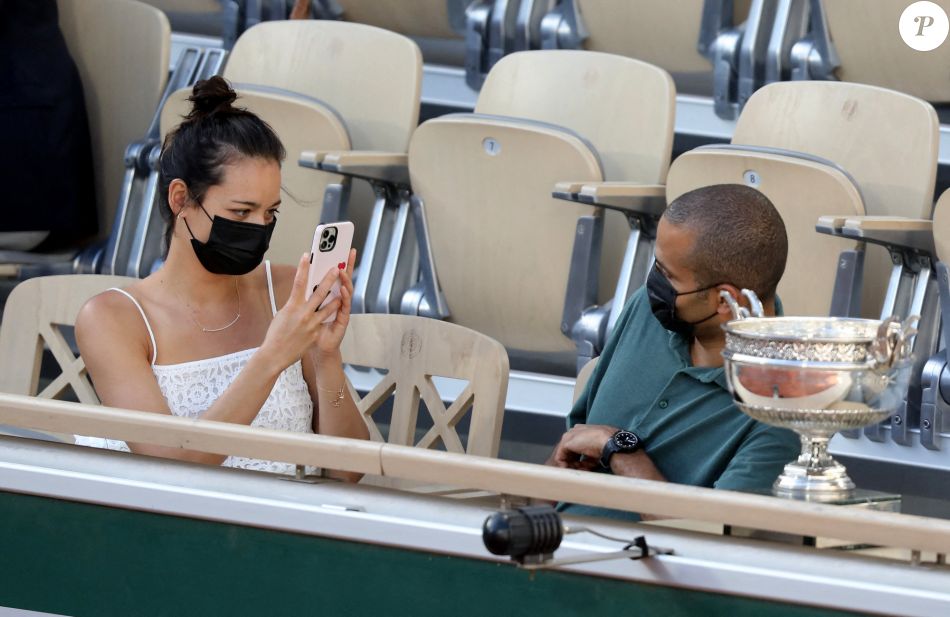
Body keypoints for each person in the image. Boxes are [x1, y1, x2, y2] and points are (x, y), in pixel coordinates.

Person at [75, 77, 368, 479]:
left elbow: (349, 471)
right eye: (241, 212)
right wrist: (272, 357)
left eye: (269, 214)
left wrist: (327, 357)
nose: (258, 228)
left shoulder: (286, 293)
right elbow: (168, 471)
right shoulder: (112, 319)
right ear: (180, 199)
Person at [548, 184, 800, 519]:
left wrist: (621, 451)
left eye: (667, 275)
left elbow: (710, 544)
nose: (654, 285)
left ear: (726, 301)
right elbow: (572, 446)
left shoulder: (780, 414)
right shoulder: (648, 311)